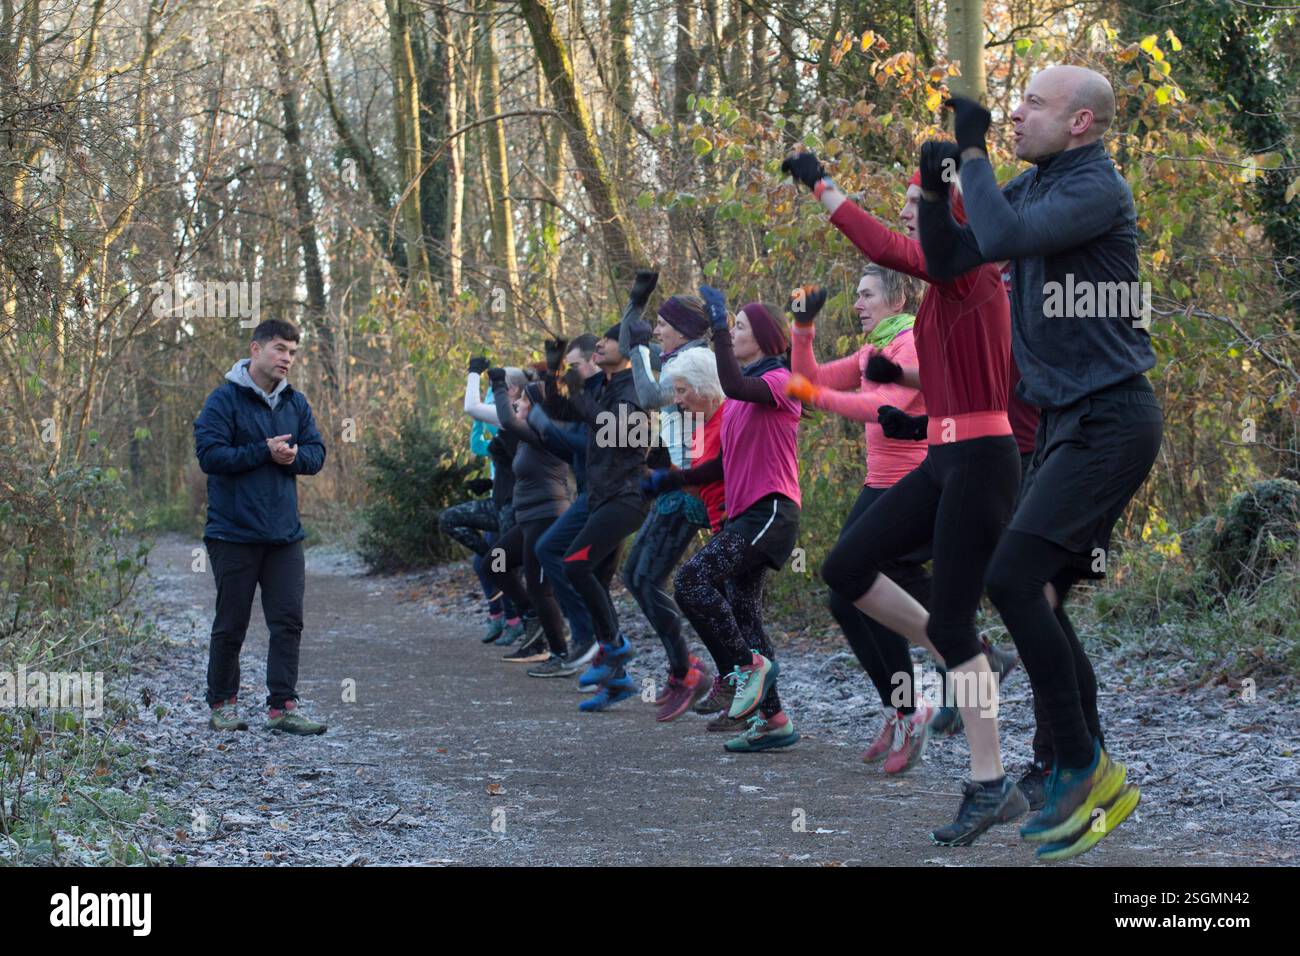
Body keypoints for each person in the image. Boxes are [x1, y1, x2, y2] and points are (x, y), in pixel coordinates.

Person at [920, 68, 1160, 859]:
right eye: (1014, 105)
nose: (1017, 114)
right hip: (1068, 421)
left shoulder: (1097, 190)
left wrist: (975, 148)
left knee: (1015, 580)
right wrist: (936, 187)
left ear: (1083, 122)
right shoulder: (1040, 183)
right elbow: (960, 252)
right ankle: (1070, 761)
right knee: (1040, 591)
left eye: (1034, 105)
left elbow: (1006, 239)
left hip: (1112, 419)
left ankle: (1084, 763)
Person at [784, 145, 1025, 844]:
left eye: (916, 211)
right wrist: (910, 411)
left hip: (981, 459)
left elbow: (881, 243)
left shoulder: (970, 272)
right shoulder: (947, 293)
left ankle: (990, 781)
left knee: (949, 627)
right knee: (845, 569)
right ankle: (973, 654)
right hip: (946, 455)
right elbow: (952, 379)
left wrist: (825, 187)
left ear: (948, 217)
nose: (905, 225)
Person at [784, 267, 933, 772]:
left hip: (914, 485)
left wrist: (815, 399)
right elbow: (810, 378)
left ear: (895, 299)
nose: (858, 304)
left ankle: (919, 702)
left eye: (867, 295)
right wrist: (802, 331)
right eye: (856, 296)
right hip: (879, 485)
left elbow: (881, 405)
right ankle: (902, 707)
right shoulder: (874, 351)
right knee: (846, 599)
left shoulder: (911, 343)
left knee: (863, 585)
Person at [653, 285, 803, 752]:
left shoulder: (779, 381)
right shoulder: (744, 391)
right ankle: (774, 718)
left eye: (739, 326)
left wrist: (715, 323)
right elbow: (723, 458)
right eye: (731, 325)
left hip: (771, 509)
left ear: (762, 336)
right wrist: (674, 479)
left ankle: (745, 669)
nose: (731, 332)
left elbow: (734, 383)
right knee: (745, 615)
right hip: (745, 513)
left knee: (692, 579)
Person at [194, 318, 327, 735]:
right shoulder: (223, 401)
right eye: (279, 349)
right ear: (255, 350)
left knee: (288, 621)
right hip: (233, 533)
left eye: (292, 352)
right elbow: (210, 456)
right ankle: (222, 704)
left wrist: (293, 458)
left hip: (285, 535)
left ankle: (283, 706)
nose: (287, 358)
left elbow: (317, 454)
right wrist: (263, 451)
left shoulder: (296, 403)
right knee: (231, 622)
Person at [541, 279, 655, 712]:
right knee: (595, 580)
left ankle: (614, 647)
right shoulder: (606, 388)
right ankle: (618, 679)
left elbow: (611, 430)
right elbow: (561, 412)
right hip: (606, 497)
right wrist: (555, 378)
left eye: (606, 340)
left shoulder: (631, 393)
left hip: (626, 498)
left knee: (574, 563)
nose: (599, 346)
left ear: (625, 349)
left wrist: (577, 389)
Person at [618, 280, 716, 717]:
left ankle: (688, 671)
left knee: (645, 579)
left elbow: (649, 397)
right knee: (636, 576)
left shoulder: (696, 358)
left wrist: (638, 349)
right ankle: (686, 668)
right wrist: (634, 307)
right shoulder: (681, 355)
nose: (657, 331)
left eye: (662, 324)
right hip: (678, 482)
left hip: (690, 487)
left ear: (682, 328)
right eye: (654, 324)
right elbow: (630, 343)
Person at [483, 369, 573, 664]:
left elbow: (507, 419)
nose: (517, 405)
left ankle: (555, 649)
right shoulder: (528, 435)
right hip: (529, 519)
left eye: (521, 401)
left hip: (547, 516)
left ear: (537, 409)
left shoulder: (545, 433)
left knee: (539, 586)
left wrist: (497, 384)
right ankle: (532, 617)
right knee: (494, 563)